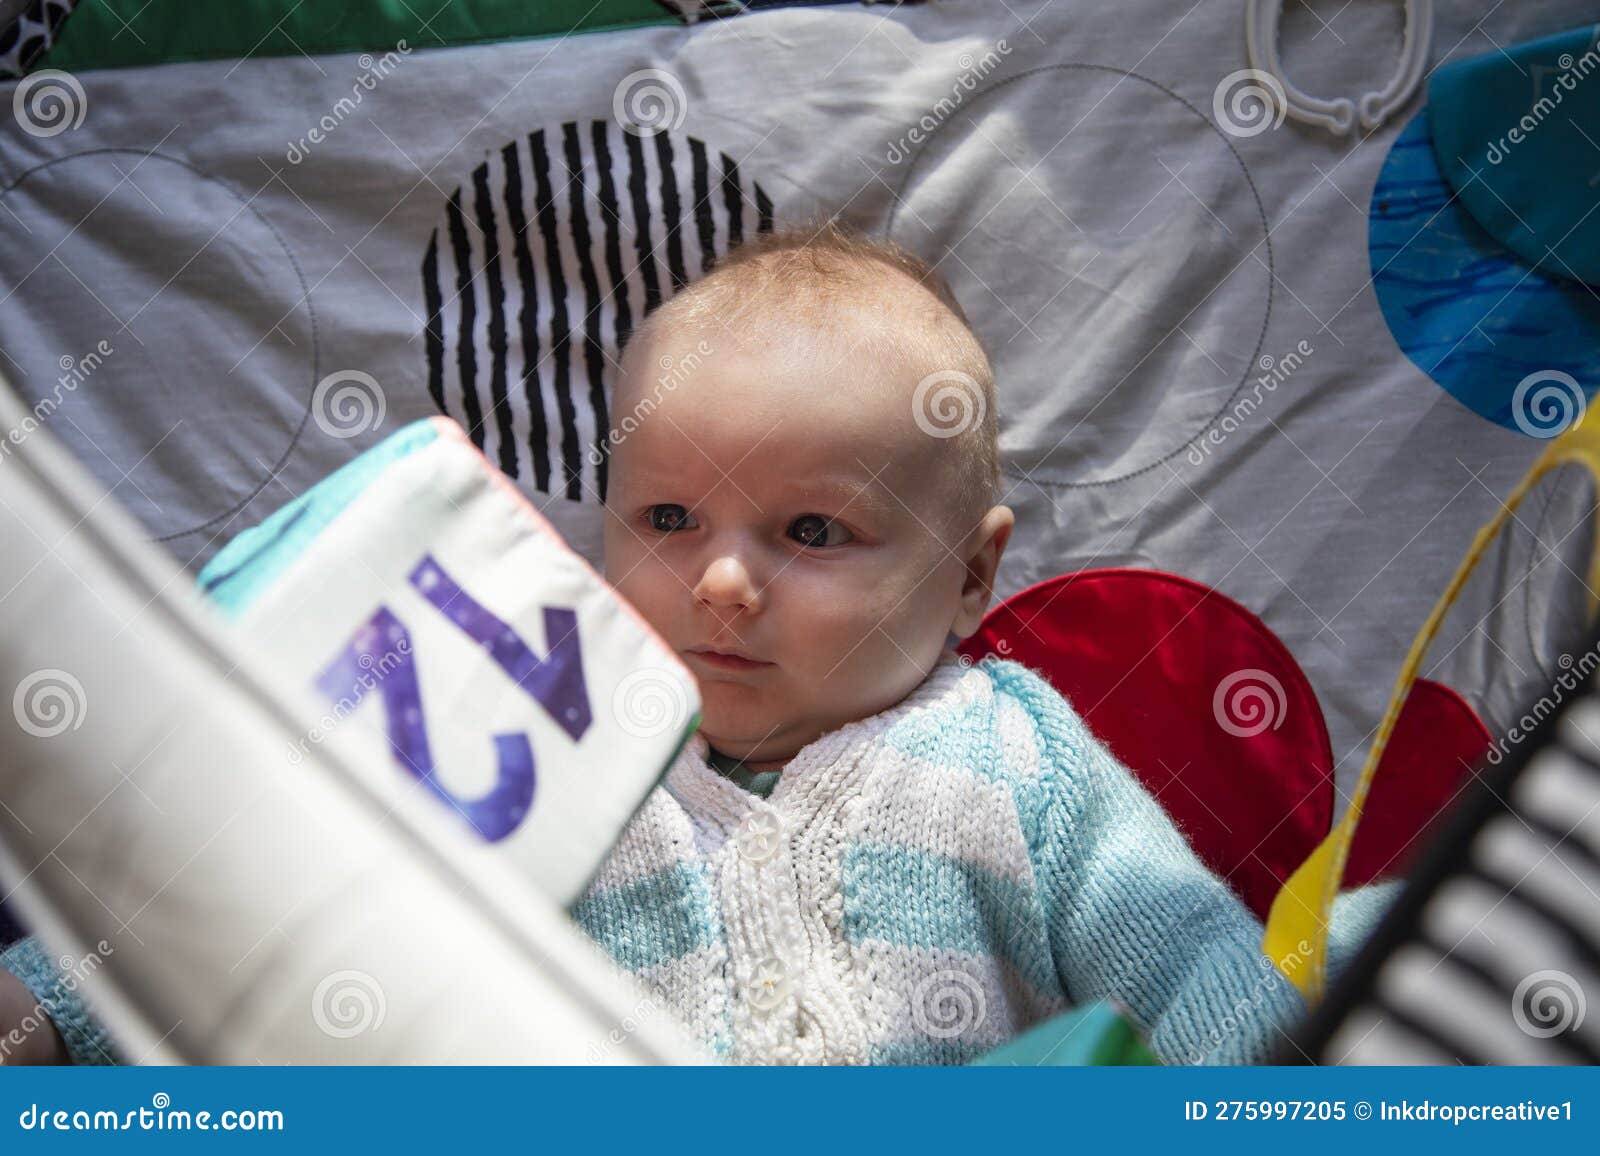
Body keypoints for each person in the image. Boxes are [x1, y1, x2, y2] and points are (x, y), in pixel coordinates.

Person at [0, 223, 1390, 1066]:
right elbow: (267, 892)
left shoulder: (1013, 751)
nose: (721, 583)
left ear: (971, 577)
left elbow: (1202, 989)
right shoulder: (524, 696)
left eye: (812, 533)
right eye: (666, 515)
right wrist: (51, 1003)